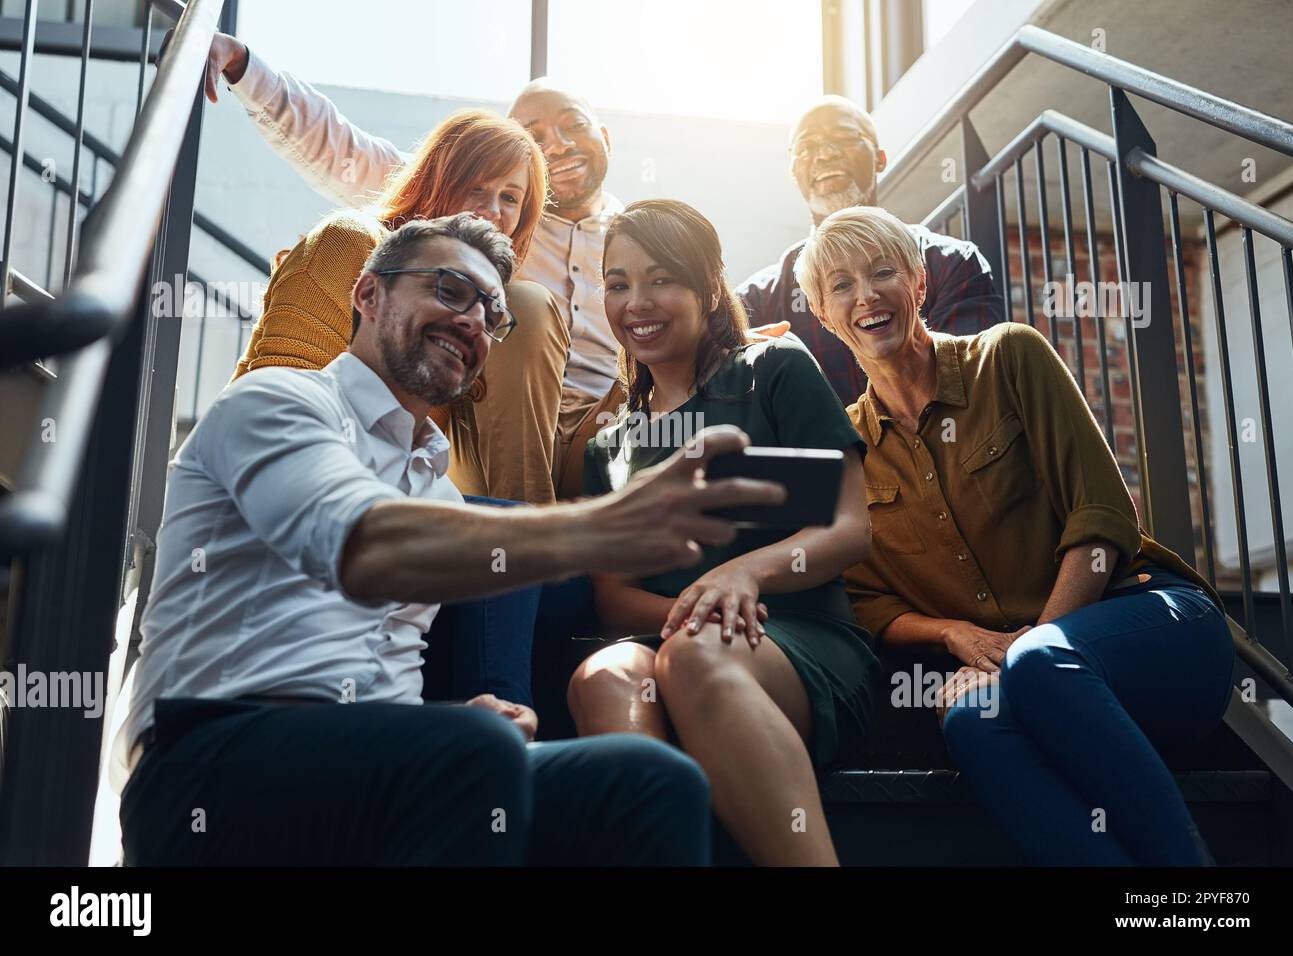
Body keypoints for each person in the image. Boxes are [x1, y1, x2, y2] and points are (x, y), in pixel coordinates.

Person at [115, 214, 788, 866]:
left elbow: (386, 668)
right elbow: (365, 547)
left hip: (372, 770)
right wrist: (605, 526)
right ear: (369, 294)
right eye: (449, 290)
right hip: (210, 763)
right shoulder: (277, 402)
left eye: (492, 315)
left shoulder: (435, 489)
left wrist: (455, 717)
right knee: (471, 750)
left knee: (645, 779)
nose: (472, 321)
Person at [795, 205, 1235, 865]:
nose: (865, 294)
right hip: (1029, 680)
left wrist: (1024, 652)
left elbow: (1101, 520)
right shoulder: (847, 450)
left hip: (1150, 628)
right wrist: (955, 636)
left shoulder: (1007, 357)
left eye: (882, 271)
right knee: (974, 724)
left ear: (918, 284)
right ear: (823, 315)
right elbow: (865, 600)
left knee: (1038, 667)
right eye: (841, 285)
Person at [567, 200, 879, 867]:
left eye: (661, 279)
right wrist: (700, 607)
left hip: (800, 644)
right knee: (602, 677)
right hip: (678, 639)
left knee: (697, 655)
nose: (637, 302)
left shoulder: (775, 372)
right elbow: (614, 599)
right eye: (618, 283)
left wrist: (743, 573)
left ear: (710, 289)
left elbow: (850, 529)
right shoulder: (610, 448)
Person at [193, 33, 626, 491]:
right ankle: (523, 545)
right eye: (532, 136)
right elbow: (338, 145)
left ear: (604, 136)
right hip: (480, 440)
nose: (553, 145)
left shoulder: (637, 245)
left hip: (600, 440)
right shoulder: (436, 234)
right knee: (525, 304)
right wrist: (244, 66)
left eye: (570, 124)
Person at [233, 107, 567, 506]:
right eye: (475, 187)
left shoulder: (489, 310)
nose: (492, 211)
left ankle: (525, 539)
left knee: (527, 305)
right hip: (299, 482)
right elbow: (275, 407)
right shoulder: (351, 241)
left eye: (509, 197)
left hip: (417, 484)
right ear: (436, 179)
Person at [737, 95, 1005, 405]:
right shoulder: (755, 301)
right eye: (807, 147)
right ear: (794, 174)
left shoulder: (950, 264)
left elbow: (972, 385)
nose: (824, 153)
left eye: (844, 137)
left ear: (879, 158)